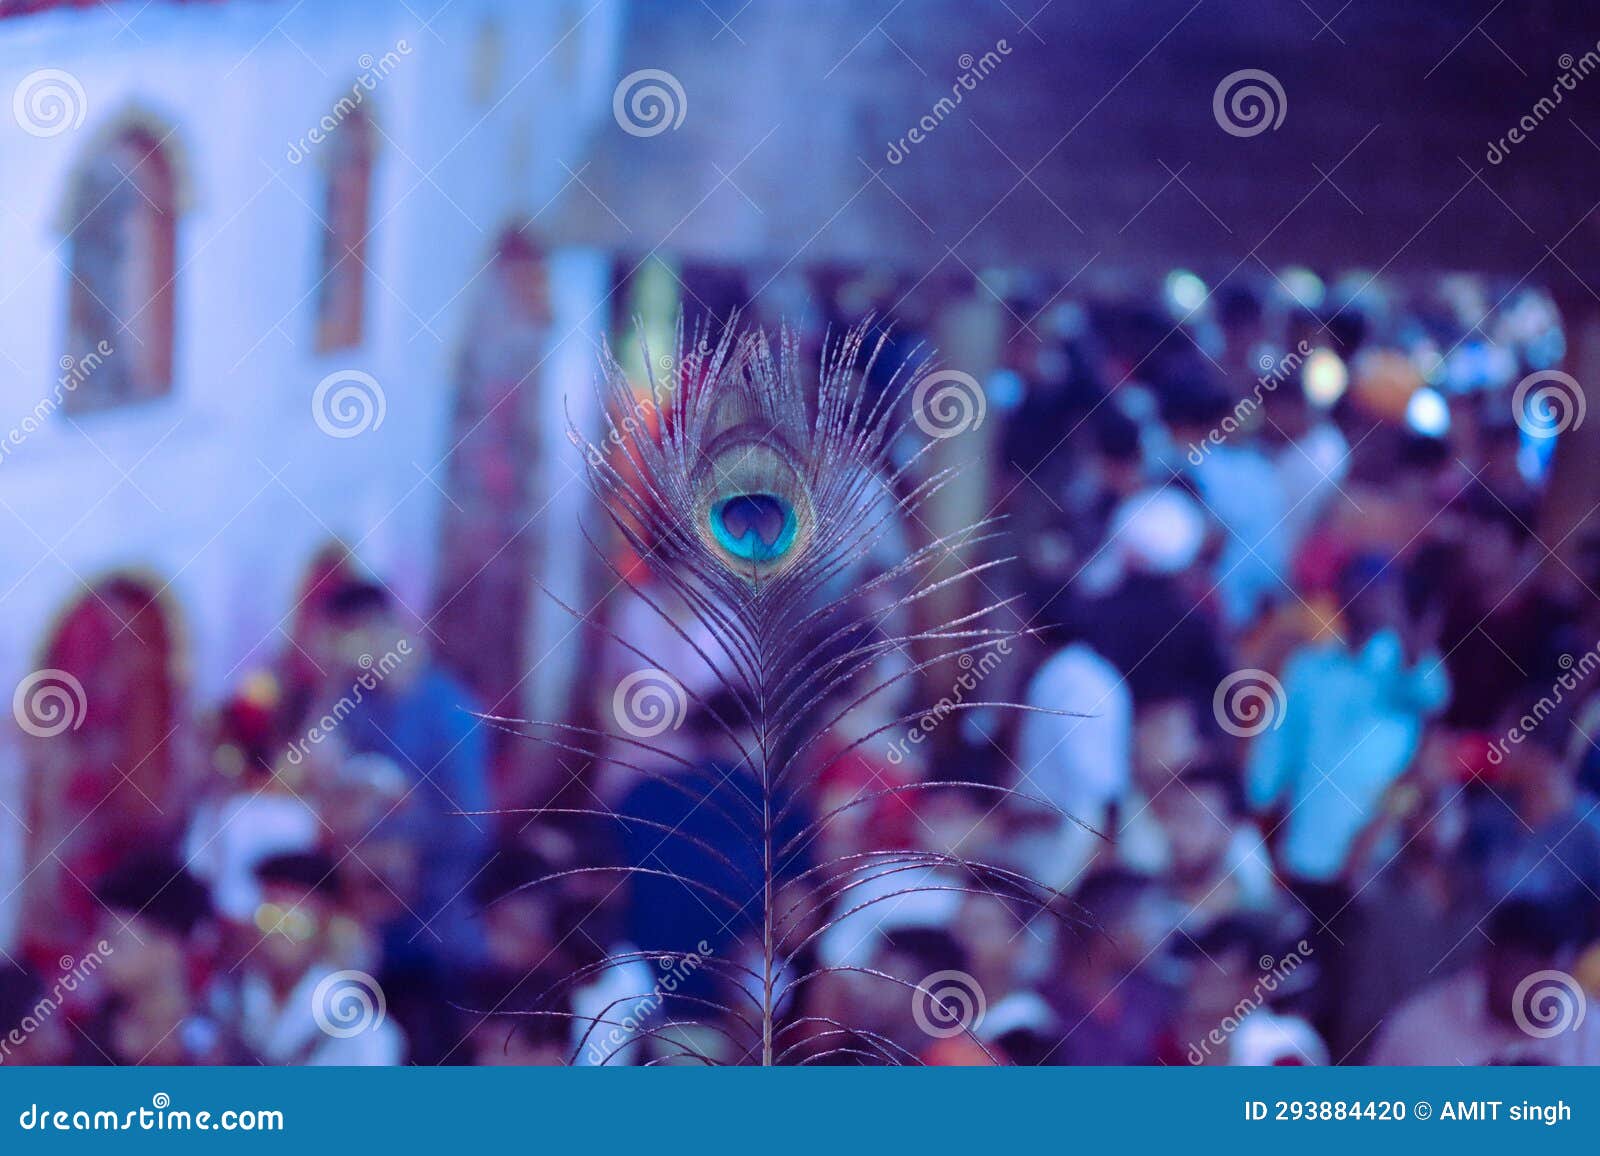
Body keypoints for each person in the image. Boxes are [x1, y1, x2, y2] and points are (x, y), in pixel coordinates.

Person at [306, 580, 492, 969]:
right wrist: (331, 687)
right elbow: (314, 766)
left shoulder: (449, 709)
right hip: (363, 906)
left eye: (341, 640)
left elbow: (471, 825)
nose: (336, 653)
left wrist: (390, 835)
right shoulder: (357, 702)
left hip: (436, 914)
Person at [1370, 899, 1600, 1065]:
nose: (1541, 991)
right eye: (1524, 971)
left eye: (1553, 974)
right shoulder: (1416, 1030)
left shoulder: (1590, 1030)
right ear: (1489, 962)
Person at [233, 852, 405, 1065]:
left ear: (324, 926)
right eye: (271, 917)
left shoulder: (362, 1031)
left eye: (297, 921)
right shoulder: (228, 999)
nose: (282, 933)